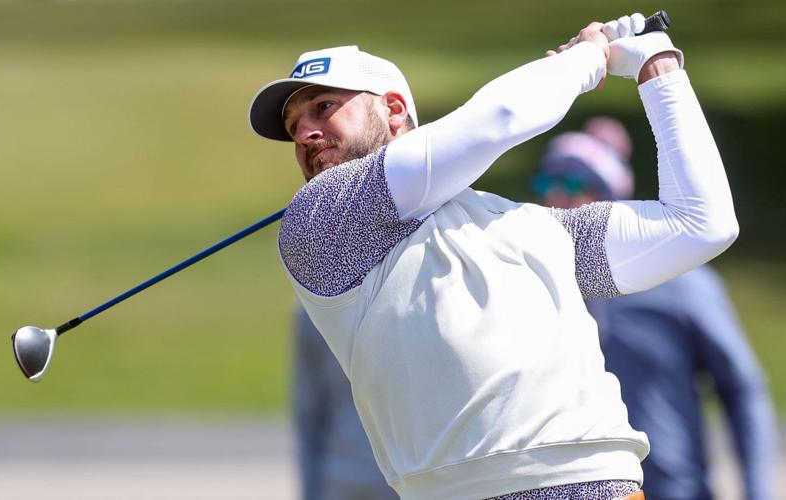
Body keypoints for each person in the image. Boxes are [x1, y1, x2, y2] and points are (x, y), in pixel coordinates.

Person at [249, 12, 739, 499]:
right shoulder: (320, 221)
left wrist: (659, 71)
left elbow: (700, 224)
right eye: (294, 127)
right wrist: (587, 59)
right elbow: (499, 120)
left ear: (394, 110)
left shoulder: (531, 226)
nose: (305, 133)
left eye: (323, 107)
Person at [533, 119, 778, 500]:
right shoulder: (531, 284)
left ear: (613, 197)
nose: (558, 200)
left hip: (674, 489)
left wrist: (758, 491)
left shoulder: (679, 282)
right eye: (549, 184)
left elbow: (740, 386)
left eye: (577, 186)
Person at [293, 306, 399, 500]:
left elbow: (309, 414)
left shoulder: (312, 304)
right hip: (361, 476)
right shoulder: (312, 309)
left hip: (352, 473)